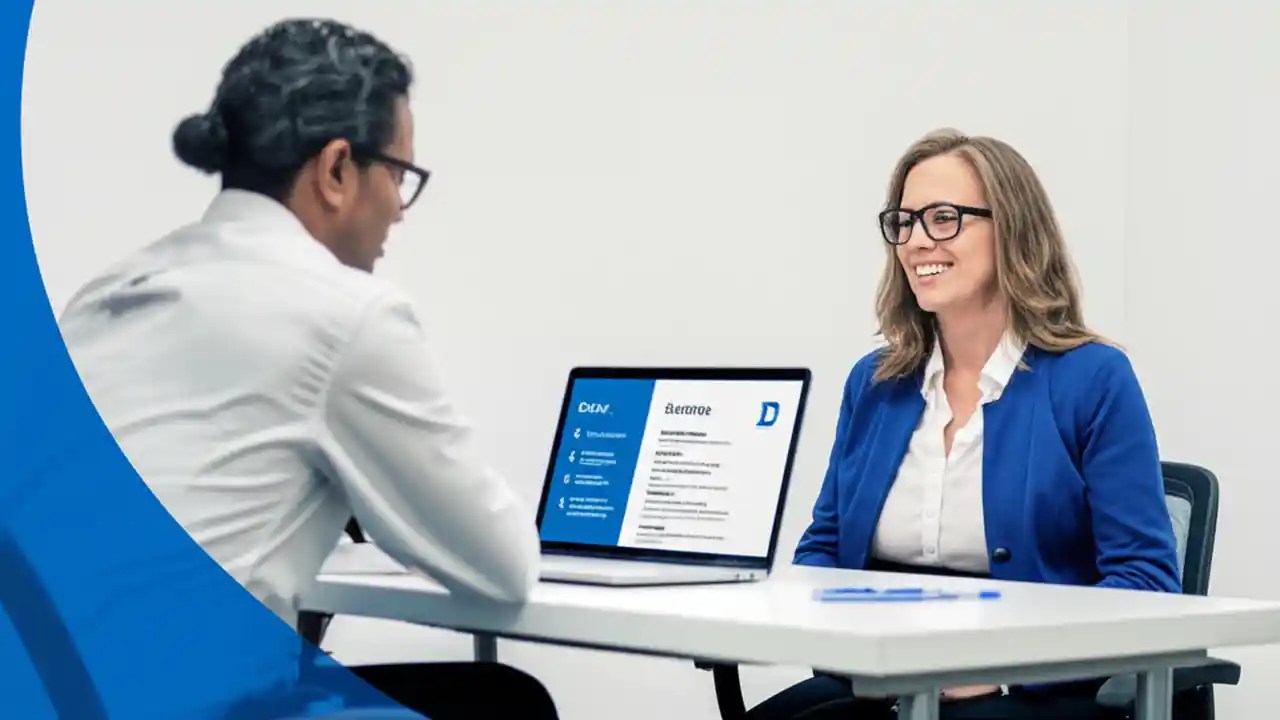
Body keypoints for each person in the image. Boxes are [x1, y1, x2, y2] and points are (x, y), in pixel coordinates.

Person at [57, 18, 558, 720]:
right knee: (506, 707)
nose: (399, 213)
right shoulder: (343, 314)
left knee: (489, 694)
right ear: (336, 171)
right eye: (400, 175)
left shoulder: (110, 294)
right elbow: (502, 565)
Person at [745, 129, 1181, 720]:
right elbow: (825, 548)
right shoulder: (875, 383)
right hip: (884, 682)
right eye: (904, 221)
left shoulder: (1093, 378)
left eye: (944, 218)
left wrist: (999, 667)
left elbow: (1146, 582)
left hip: (1030, 691)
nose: (918, 240)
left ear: (1013, 230)